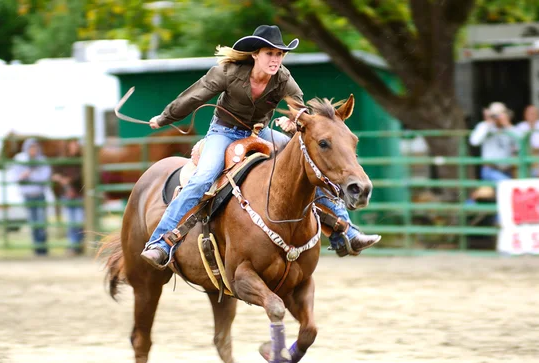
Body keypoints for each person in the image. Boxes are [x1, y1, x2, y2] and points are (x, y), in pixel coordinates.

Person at [141, 25, 381, 268]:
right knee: (203, 177)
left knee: (306, 160)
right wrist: (164, 118)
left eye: (279, 55)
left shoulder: (283, 78)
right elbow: (195, 96)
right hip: (223, 132)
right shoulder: (228, 71)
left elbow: (299, 110)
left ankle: (346, 231)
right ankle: (161, 243)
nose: (275, 60)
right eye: (270, 53)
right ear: (255, 54)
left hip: (260, 131)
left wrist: (292, 121)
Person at [9, 138, 51, 256]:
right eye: (31, 148)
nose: (33, 150)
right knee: (33, 222)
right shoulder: (20, 160)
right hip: (27, 195)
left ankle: (43, 247)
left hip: (39, 194)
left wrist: (29, 177)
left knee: (41, 221)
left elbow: (44, 177)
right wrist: (25, 176)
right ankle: (36, 248)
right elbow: (15, 177)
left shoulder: (42, 160)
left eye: (35, 147)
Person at [469, 102, 521, 182]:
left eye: (500, 114)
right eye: (495, 115)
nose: (497, 118)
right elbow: (474, 142)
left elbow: (521, 143)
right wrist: (488, 124)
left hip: (507, 170)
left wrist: (508, 125)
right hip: (490, 170)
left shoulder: (509, 128)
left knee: (509, 186)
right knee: (508, 185)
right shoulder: (484, 126)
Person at [52, 139, 84, 255]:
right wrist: (61, 179)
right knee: (71, 222)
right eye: (72, 145)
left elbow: (81, 176)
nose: (74, 147)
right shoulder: (62, 161)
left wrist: (68, 180)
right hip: (68, 195)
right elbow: (55, 174)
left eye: (76, 145)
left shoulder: (82, 161)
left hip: (79, 194)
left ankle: (78, 245)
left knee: (79, 221)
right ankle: (74, 245)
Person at [515, 105, 539, 175]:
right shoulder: (520, 126)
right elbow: (517, 147)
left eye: (533, 113)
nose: (531, 115)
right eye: (529, 113)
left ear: (538, 115)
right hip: (524, 157)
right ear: (525, 115)